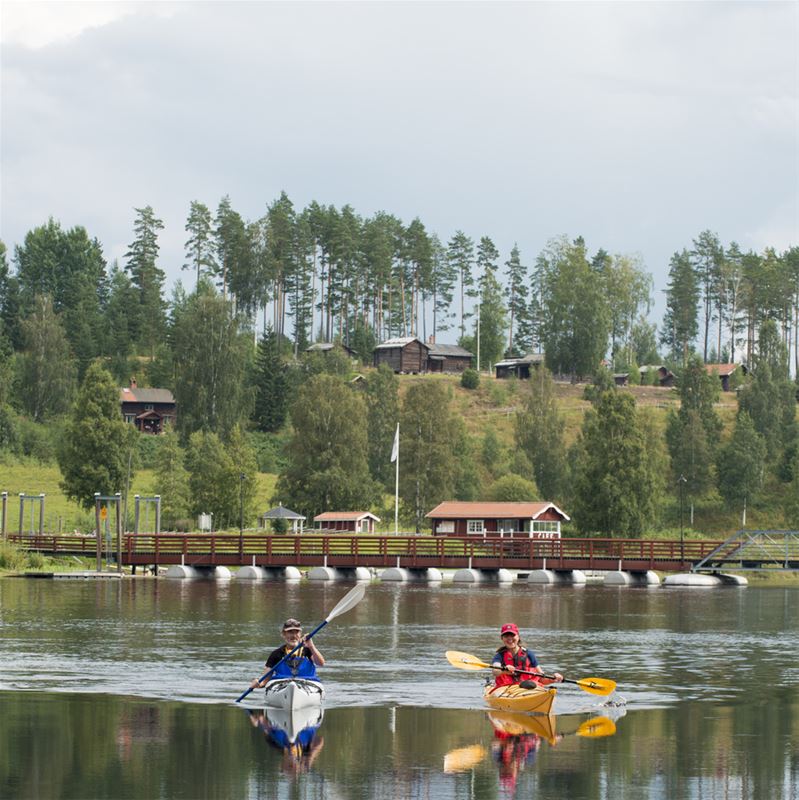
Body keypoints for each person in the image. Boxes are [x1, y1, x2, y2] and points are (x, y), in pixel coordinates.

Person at [250, 618, 325, 689]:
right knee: (291, 685)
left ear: (300, 634)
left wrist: (311, 646)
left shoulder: (308, 651)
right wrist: (258, 684)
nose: (294, 635)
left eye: (296, 632)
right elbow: (265, 680)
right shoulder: (276, 654)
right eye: (290, 632)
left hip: (307, 685)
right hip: (282, 686)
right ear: (283, 634)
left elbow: (320, 663)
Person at [491, 623, 563, 688]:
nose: (509, 638)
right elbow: (495, 671)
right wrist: (504, 670)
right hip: (506, 689)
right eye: (506, 636)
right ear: (502, 638)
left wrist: (553, 679)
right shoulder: (499, 656)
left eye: (512, 635)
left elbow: (541, 678)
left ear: (518, 637)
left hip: (528, 687)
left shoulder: (529, 654)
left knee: (531, 684)